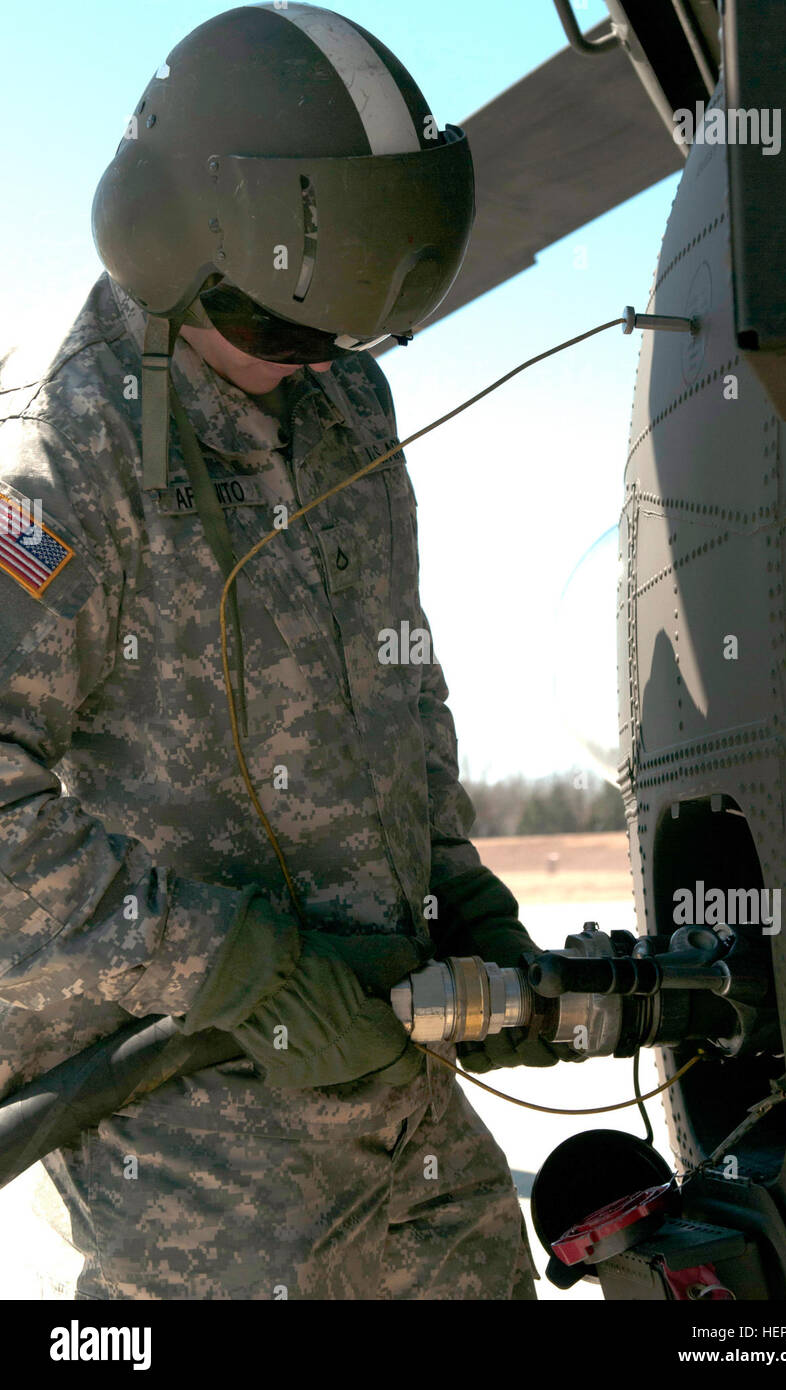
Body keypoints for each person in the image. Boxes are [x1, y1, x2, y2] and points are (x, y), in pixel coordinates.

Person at [0, 2, 571, 1300]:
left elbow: (397, 680)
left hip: (371, 1047)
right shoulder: (64, 444)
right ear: (176, 253)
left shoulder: (341, 403)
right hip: (173, 1089)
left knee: (483, 1267)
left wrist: (448, 877)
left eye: (342, 336)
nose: (313, 365)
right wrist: (224, 962)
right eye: (282, 330)